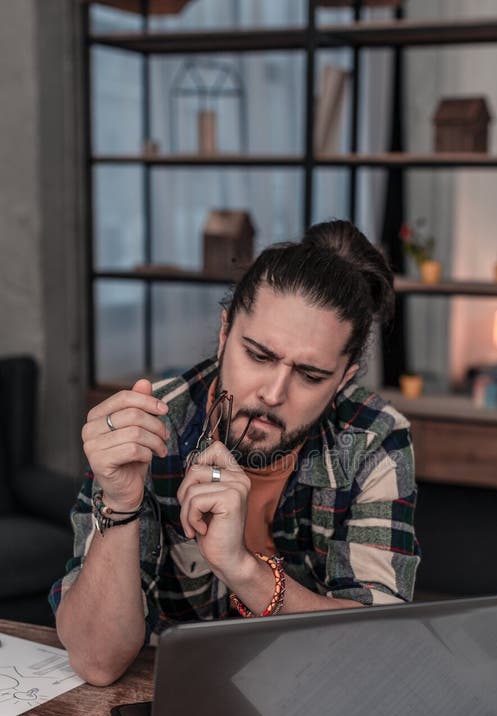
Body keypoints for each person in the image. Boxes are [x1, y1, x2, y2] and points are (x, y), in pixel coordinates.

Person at [50, 220, 420, 685]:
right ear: (226, 333)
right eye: (259, 356)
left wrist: (242, 568)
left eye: (309, 375)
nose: (273, 392)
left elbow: (378, 648)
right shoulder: (149, 427)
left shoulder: (373, 441)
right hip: (171, 703)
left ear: (344, 378)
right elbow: (97, 661)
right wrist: (121, 505)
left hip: (310, 698)